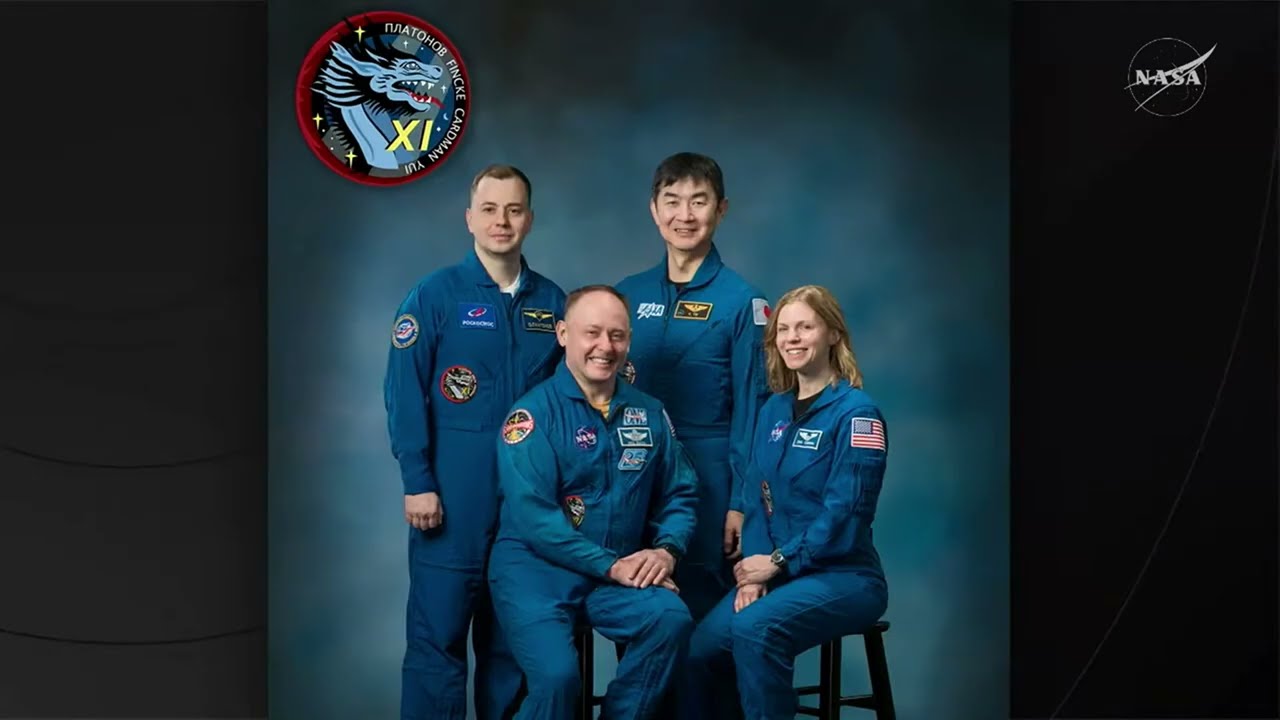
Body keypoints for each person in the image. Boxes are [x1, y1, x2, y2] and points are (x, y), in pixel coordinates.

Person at [384, 164, 567, 720]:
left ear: (529, 219)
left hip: (525, 511)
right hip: (451, 505)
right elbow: (403, 392)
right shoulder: (435, 296)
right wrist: (418, 481)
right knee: (436, 646)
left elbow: (570, 402)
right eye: (489, 209)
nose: (501, 221)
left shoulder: (554, 304)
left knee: (509, 650)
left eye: (513, 209)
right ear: (469, 219)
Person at [676, 285, 891, 720]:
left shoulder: (856, 414)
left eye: (805, 327)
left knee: (755, 628)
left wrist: (776, 562)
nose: (792, 338)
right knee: (699, 651)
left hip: (844, 576)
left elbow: (845, 517)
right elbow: (758, 499)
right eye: (783, 329)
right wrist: (754, 572)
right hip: (777, 571)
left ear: (832, 334)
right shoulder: (772, 410)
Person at [487, 285, 699, 720]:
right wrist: (611, 566)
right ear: (564, 333)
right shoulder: (531, 417)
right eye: (592, 333)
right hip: (536, 573)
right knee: (559, 680)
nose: (606, 347)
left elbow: (680, 492)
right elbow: (536, 520)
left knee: (669, 619)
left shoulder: (648, 412)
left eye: (617, 335)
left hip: (613, 576)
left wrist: (666, 550)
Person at [614, 152, 773, 624]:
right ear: (653, 209)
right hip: (635, 475)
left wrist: (742, 503)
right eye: (672, 201)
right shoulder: (626, 294)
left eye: (698, 202)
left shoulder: (743, 301)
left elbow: (756, 409)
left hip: (711, 478)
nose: (684, 216)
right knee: (643, 616)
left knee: (704, 620)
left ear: (720, 210)